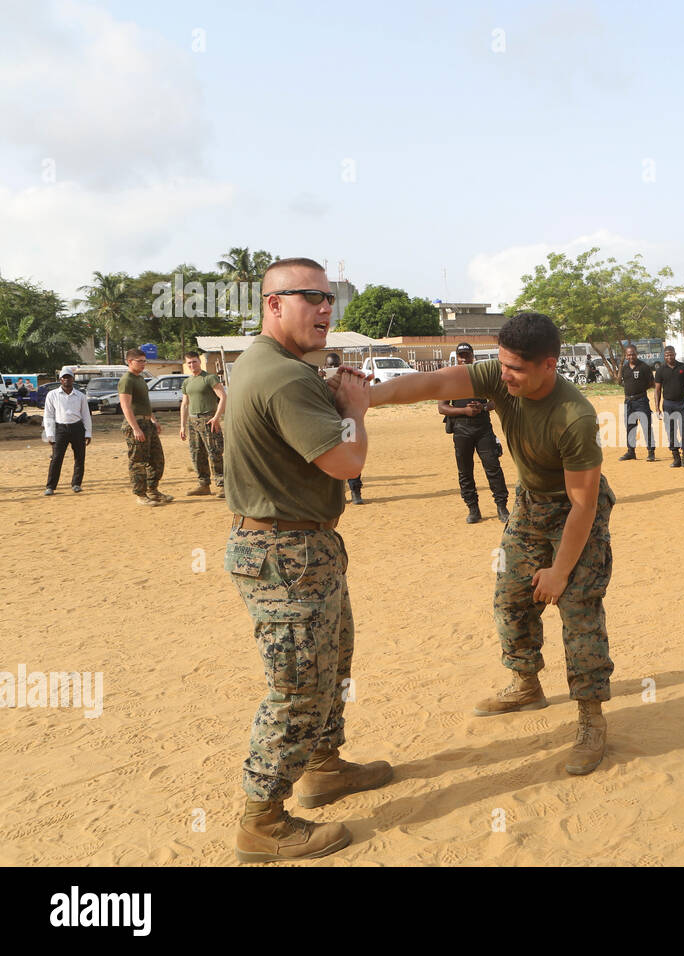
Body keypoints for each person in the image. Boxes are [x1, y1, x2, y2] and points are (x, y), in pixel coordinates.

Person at [369, 311, 615, 775]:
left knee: (578, 607)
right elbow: (432, 385)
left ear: (549, 364)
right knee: (510, 598)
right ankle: (527, 684)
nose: (505, 375)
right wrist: (368, 397)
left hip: (575, 511)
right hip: (530, 503)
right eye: (502, 364)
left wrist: (560, 571)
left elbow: (583, 506)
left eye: (517, 368)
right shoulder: (500, 379)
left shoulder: (574, 416)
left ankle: (590, 717)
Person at [227, 257, 391, 862]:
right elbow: (347, 464)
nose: (325, 309)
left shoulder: (273, 366)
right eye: (309, 297)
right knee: (299, 685)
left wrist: (334, 396)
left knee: (333, 661)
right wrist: (355, 410)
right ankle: (261, 819)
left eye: (330, 297)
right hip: (286, 552)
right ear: (273, 304)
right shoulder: (285, 377)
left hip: (301, 546)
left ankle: (323, 764)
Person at [438, 343, 510, 523]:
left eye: (467, 355)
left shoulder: (482, 377)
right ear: (456, 356)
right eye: (461, 356)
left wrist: (483, 406)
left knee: (493, 467)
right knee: (465, 471)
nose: (464, 359)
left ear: (472, 356)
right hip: (461, 430)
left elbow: (496, 401)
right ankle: (473, 509)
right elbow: (442, 407)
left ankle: (502, 507)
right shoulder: (450, 378)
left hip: (483, 428)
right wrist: (464, 411)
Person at [118, 348, 170, 506]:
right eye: (139, 361)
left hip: (147, 423)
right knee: (138, 461)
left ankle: (152, 490)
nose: (143, 364)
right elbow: (125, 406)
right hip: (136, 423)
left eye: (144, 361)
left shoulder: (140, 379)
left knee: (157, 459)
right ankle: (140, 494)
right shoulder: (127, 380)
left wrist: (154, 420)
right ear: (129, 362)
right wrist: (135, 428)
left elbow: (145, 404)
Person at [179, 350, 227, 498]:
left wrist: (216, 417)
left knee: (215, 453)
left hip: (209, 420)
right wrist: (182, 425)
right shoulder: (187, 382)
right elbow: (185, 404)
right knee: (197, 453)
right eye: (189, 363)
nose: (192, 365)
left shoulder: (209, 378)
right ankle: (203, 485)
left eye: (194, 361)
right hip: (193, 422)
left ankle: (224, 485)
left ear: (199, 362)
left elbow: (223, 397)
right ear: (186, 365)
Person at [323, 354, 367, 504]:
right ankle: (337, 495)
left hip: (347, 421)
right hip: (329, 423)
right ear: (325, 366)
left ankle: (356, 492)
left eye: (336, 364)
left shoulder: (347, 380)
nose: (334, 368)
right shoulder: (319, 381)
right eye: (330, 366)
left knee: (351, 455)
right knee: (332, 458)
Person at [43, 371, 91, 495]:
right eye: (64, 378)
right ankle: (50, 486)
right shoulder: (52, 395)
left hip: (77, 428)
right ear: (60, 380)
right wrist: (50, 434)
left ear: (73, 379)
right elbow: (48, 415)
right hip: (60, 429)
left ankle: (76, 484)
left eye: (69, 378)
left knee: (80, 458)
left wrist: (88, 433)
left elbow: (86, 415)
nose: (67, 380)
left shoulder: (80, 396)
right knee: (56, 458)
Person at [654, 345, 684, 468]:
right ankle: (676, 458)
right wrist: (657, 407)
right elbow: (657, 390)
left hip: (683, 404)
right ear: (664, 356)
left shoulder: (683, 367)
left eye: (671, 354)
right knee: (670, 432)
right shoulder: (660, 370)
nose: (669, 357)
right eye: (667, 355)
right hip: (668, 405)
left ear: (675, 354)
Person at [617, 344, 656, 461]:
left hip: (641, 401)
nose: (631, 356)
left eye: (633, 354)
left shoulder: (644, 367)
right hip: (628, 401)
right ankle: (631, 452)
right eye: (629, 354)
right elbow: (621, 382)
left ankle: (651, 452)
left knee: (646, 425)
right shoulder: (624, 368)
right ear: (626, 356)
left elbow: (652, 383)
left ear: (636, 354)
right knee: (630, 426)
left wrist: (640, 390)